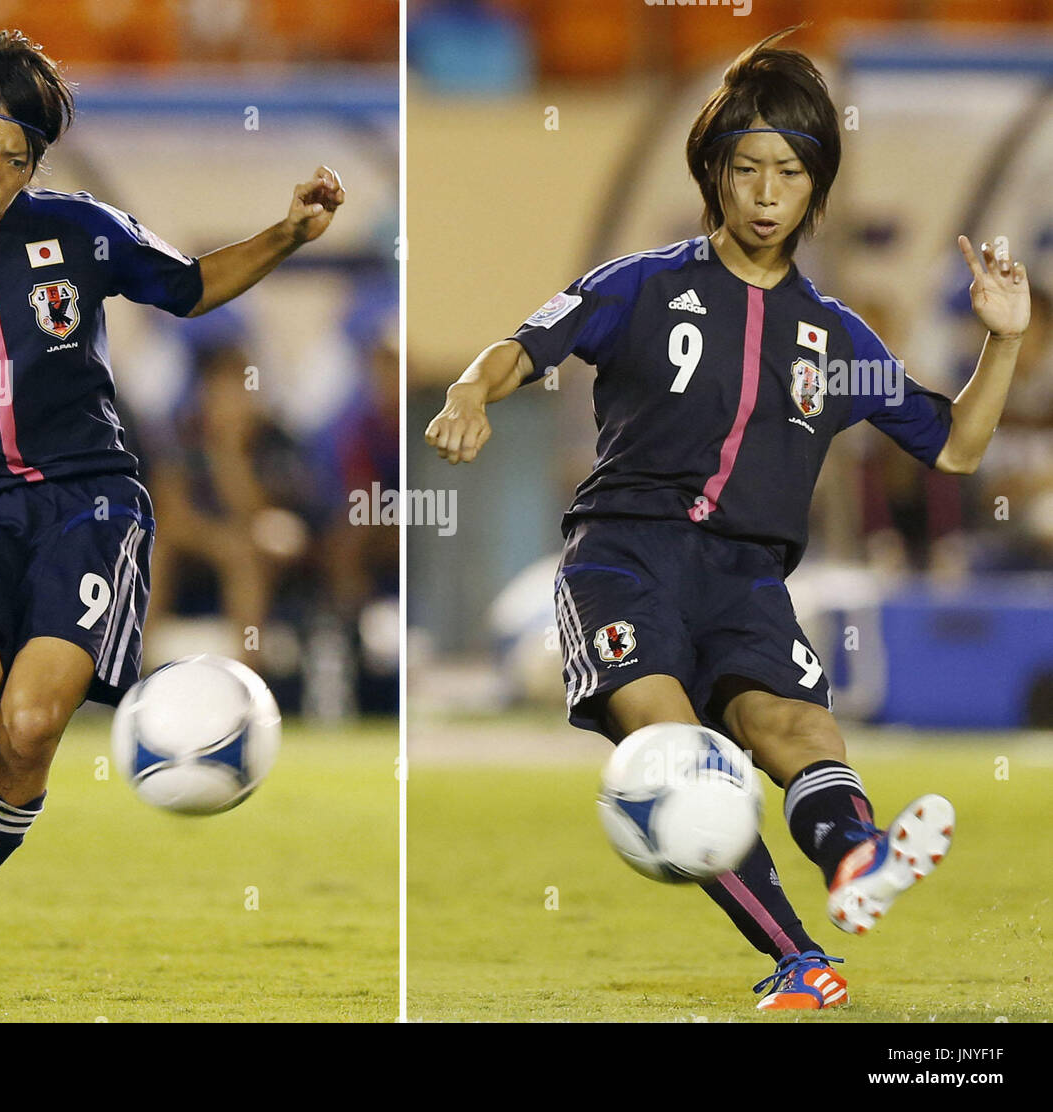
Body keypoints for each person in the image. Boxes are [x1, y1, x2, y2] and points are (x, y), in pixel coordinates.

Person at [424, 28, 1029, 1010]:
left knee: (795, 726)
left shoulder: (835, 336)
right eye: (744, 166)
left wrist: (999, 343)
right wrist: (466, 391)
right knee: (674, 755)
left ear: (813, 185)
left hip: (748, 578)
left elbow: (955, 446)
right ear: (712, 169)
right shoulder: (640, 283)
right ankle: (801, 954)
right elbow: (523, 344)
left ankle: (857, 859)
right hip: (623, 559)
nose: (762, 191)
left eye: (786, 171)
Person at [0, 30, 344, 1006]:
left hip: (89, 503)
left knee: (25, 728)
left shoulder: (79, 231)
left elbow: (188, 287)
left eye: (15, 160)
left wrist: (286, 234)